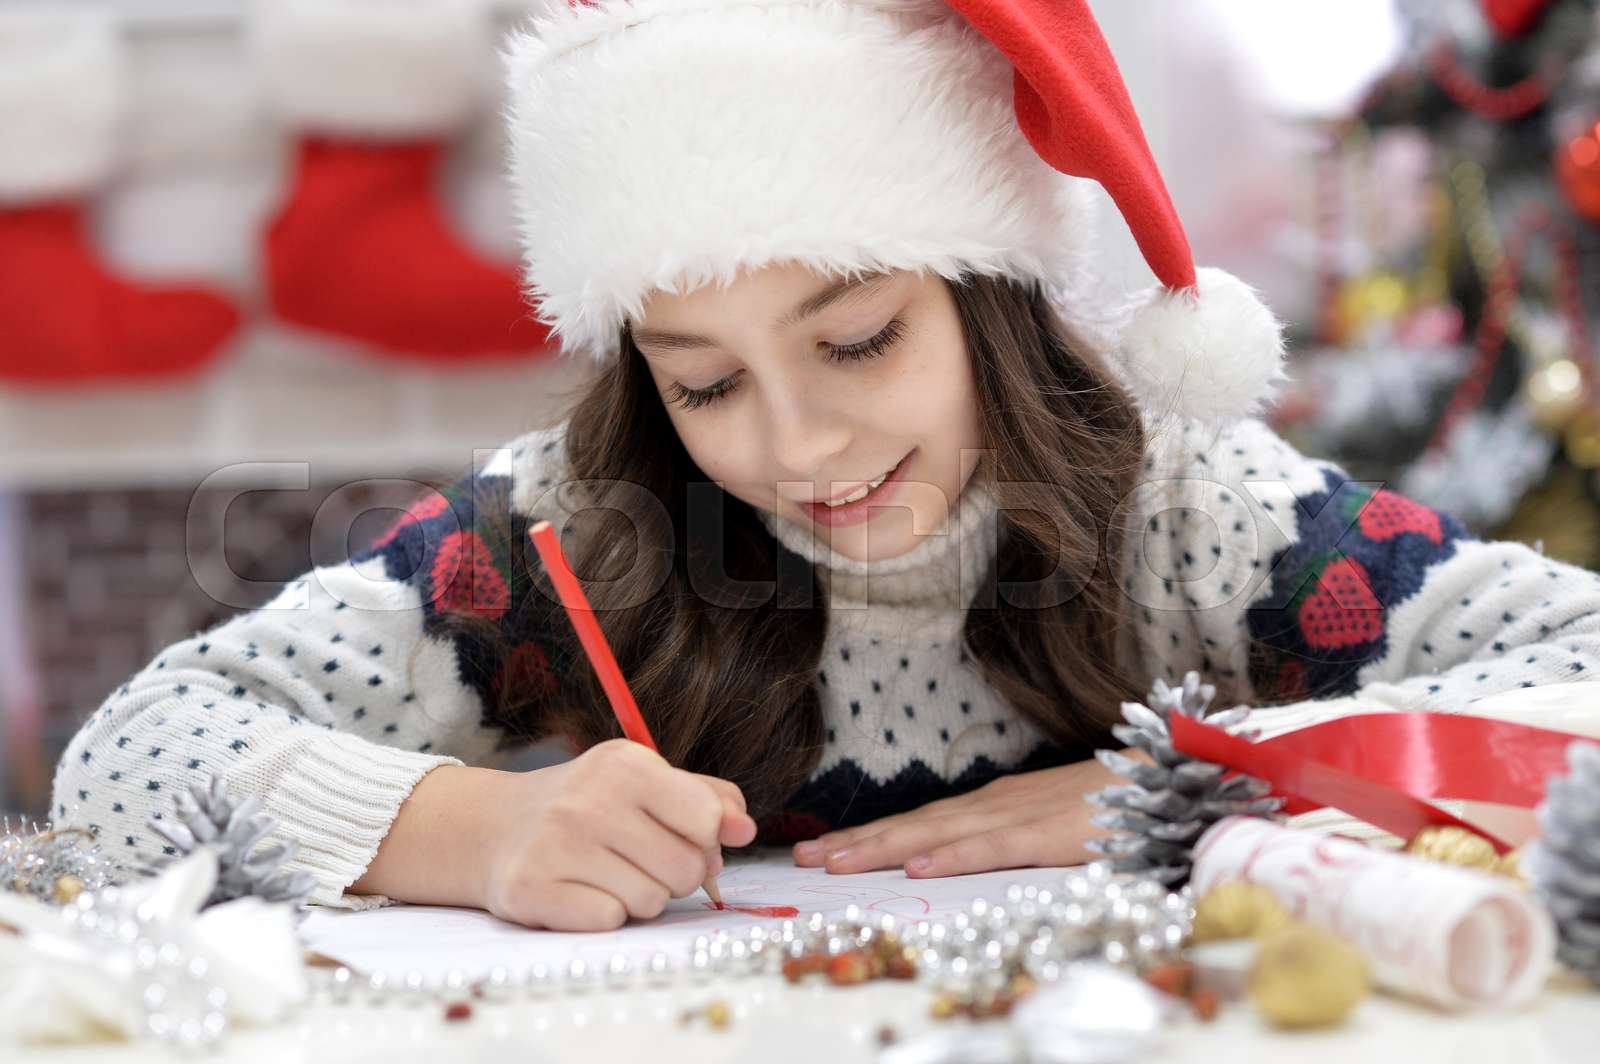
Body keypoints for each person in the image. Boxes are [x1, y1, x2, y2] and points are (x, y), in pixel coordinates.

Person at [51, 0, 1600, 933]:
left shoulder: (1191, 510)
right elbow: (125, 755)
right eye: (705, 382)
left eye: (857, 341)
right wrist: (471, 831)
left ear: (988, 299)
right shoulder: (575, 535)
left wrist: (1201, 782)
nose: (791, 448)